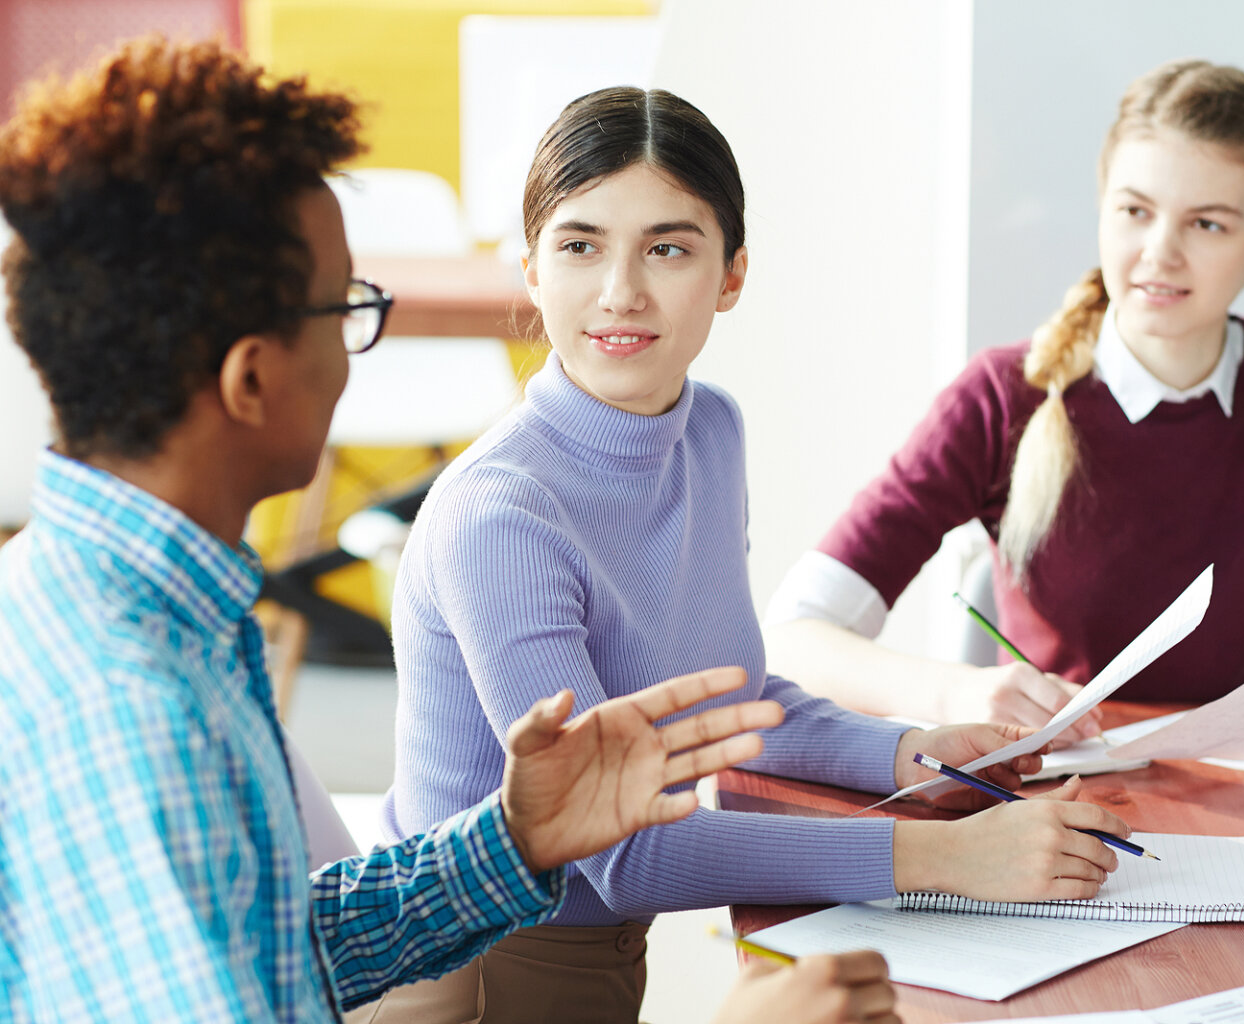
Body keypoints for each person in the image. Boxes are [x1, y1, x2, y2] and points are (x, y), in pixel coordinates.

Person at [0, 38, 892, 1024]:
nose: (355, 349)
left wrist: (510, 839)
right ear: (251, 379)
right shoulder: (140, 711)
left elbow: (279, 950)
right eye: (345, 309)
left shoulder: (98, 596)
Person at [377, 85, 1132, 1024]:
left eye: (668, 247)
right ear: (531, 268)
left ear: (731, 275)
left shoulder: (710, 432)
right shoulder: (503, 516)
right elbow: (621, 850)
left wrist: (913, 753)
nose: (621, 290)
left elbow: (730, 702)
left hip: (599, 956)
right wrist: (944, 861)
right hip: (473, 975)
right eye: (579, 245)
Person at [764, 59, 1244, 780]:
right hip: (1055, 801)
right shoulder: (1001, 396)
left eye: (1206, 223)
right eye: (1135, 211)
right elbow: (794, 634)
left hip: (1239, 795)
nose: (1158, 253)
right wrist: (957, 689)